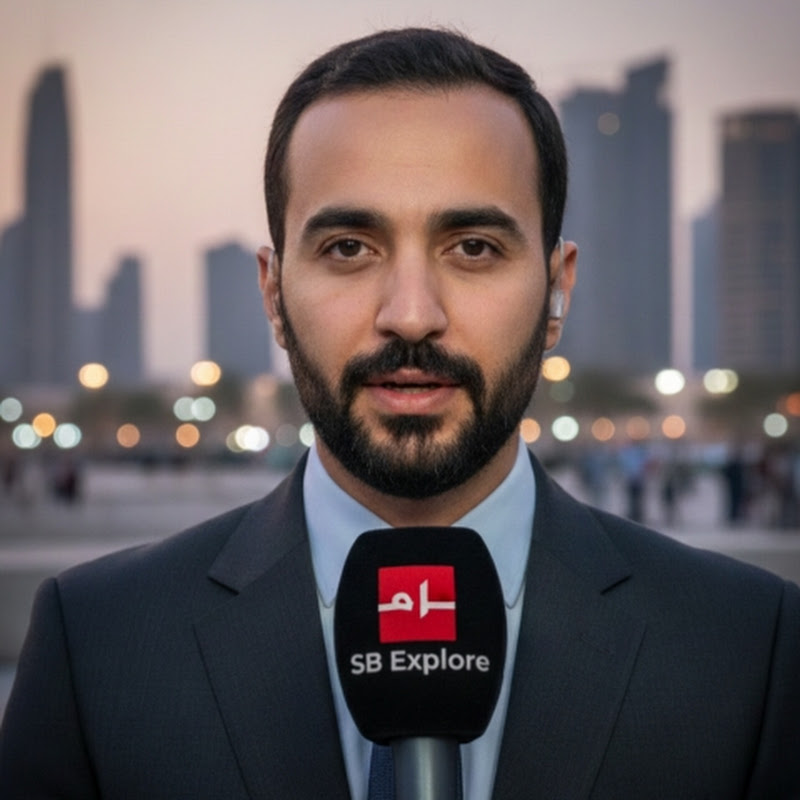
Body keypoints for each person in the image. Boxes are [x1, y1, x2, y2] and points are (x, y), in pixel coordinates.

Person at [1, 28, 798, 799]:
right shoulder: (96, 646)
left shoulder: (747, 648)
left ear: (557, 290)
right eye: (349, 247)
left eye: (474, 247)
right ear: (273, 295)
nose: (411, 315)